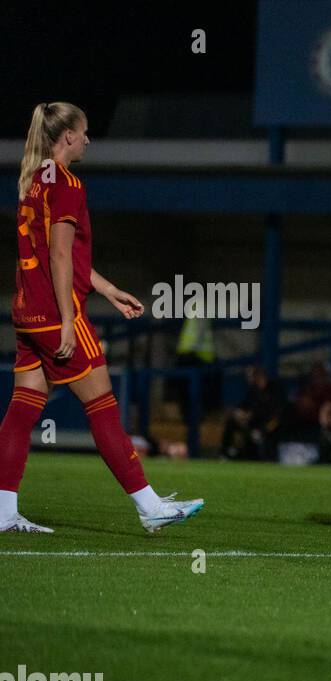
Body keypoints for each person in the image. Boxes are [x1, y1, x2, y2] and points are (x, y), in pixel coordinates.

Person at [0, 102, 203, 534]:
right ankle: (149, 506)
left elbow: (63, 256)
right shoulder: (68, 182)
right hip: (55, 315)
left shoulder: (35, 179)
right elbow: (58, 255)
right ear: (68, 136)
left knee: (21, 412)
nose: (89, 140)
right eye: (85, 132)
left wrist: (107, 290)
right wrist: (71, 319)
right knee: (103, 406)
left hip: (26, 312)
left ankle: (3, 511)